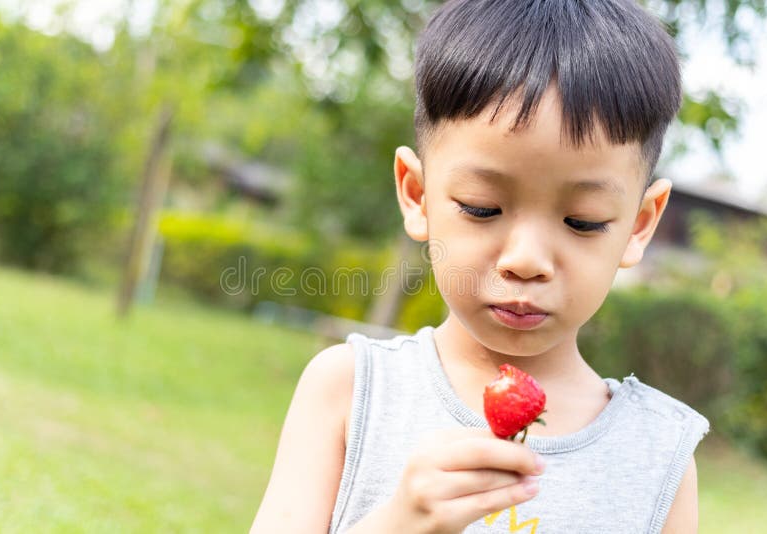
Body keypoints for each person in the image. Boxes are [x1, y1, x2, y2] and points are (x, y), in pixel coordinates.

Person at [251, 0, 710, 532]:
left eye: (582, 221)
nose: (526, 261)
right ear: (418, 195)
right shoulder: (351, 390)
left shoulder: (659, 453)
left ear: (638, 226)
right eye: (481, 208)